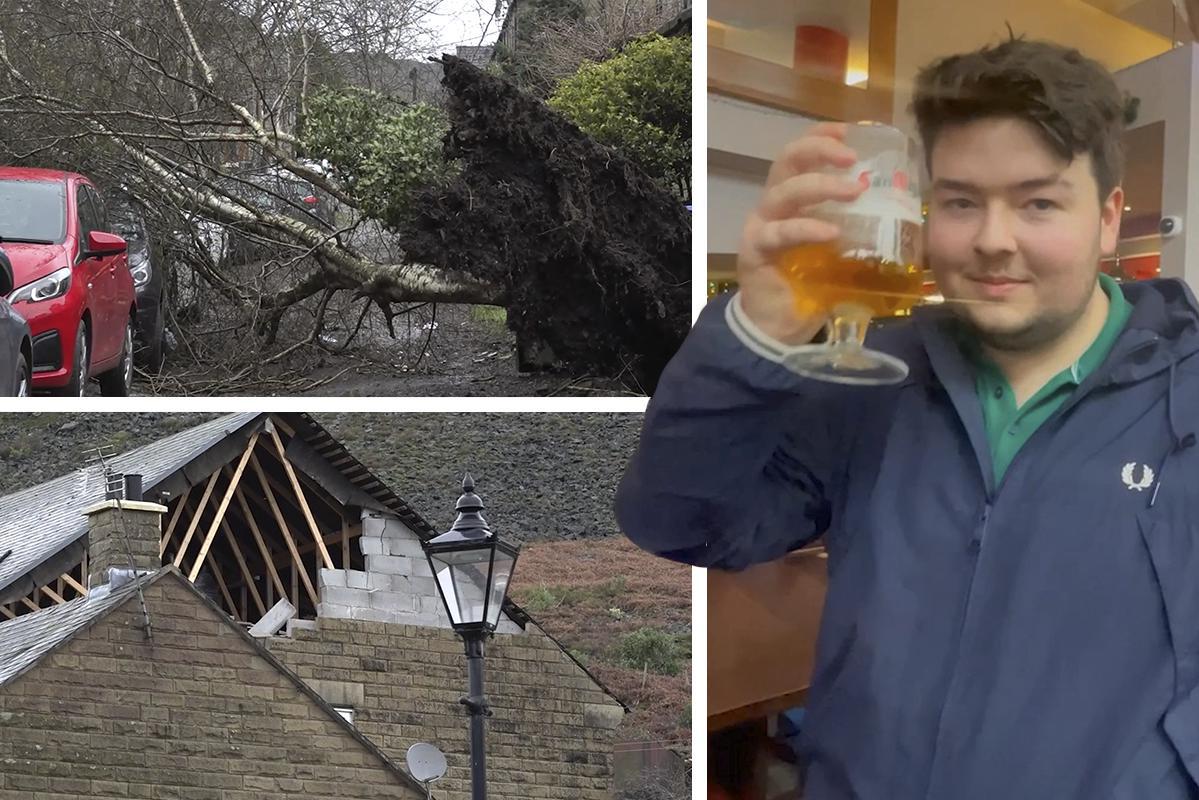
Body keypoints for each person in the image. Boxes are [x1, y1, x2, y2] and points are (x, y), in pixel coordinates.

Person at [616, 37, 1199, 800]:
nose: (992, 239)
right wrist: (751, 337)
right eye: (960, 201)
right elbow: (678, 522)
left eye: (1038, 202)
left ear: (1107, 219)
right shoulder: (871, 386)